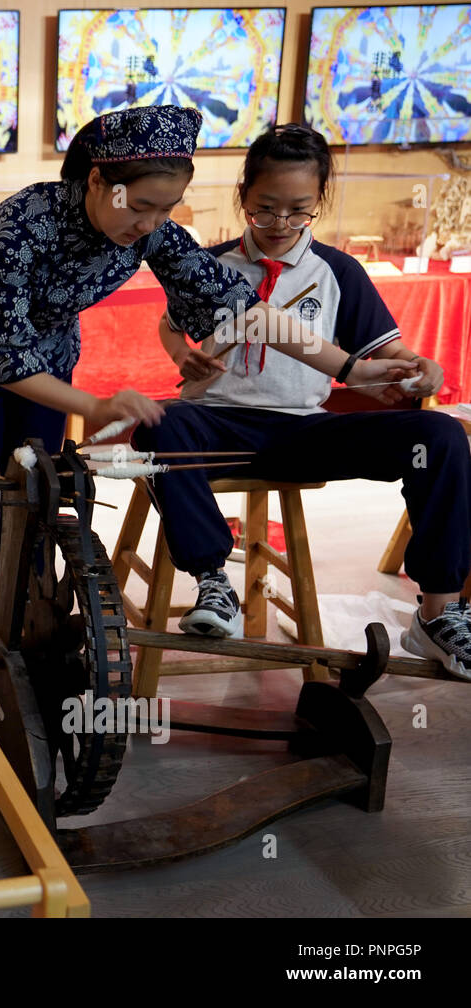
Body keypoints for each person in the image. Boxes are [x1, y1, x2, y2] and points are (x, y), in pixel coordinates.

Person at [0, 106, 406, 623]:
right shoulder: (22, 223)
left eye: (167, 208)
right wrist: (96, 404)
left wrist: (351, 369)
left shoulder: (153, 230)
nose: (151, 223)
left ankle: (22, 605)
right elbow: (2, 354)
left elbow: (249, 311)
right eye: (141, 206)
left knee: (38, 482)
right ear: (97, 181)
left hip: (51, 355)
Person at [140, 122, 469, 679]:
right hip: (216, 427)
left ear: (319, 203)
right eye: (265, 209)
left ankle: (437, 615)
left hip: (303, 432)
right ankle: (214, 583)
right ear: (243, 195)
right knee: (158, 424)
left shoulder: (338, 272)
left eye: (298, 211)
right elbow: (169, 326)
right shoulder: (210, 266)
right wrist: (181, 357)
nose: (280, 225)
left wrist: (420, 371)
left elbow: (385, 356)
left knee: (439, 438)